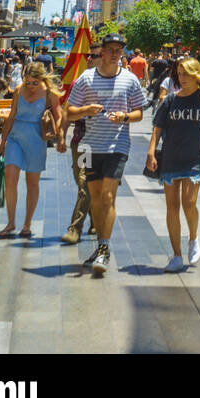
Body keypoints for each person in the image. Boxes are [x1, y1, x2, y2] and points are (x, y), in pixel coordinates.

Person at [66, 32, 146, 276]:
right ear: (102, 52)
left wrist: (125, 116)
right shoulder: (86, 78)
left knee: (108, 196)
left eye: (118, 50)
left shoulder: (130, 80)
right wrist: (85, 110)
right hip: (89, 146)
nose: (114, 54)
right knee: (96, 198)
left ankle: (103, 248)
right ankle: (101, 245)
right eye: (110, 49)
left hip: (117, 145)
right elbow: (69, 112)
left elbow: (139, 113)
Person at [147, 58, 200, 273]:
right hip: (170, 159)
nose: (182, 78)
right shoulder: (170, 100)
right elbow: (157, 127)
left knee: (189, 203)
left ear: (197, 75)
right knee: (172, 207)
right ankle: (177, 255)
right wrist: (151, 151)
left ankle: (193, 238)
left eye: (186, 73)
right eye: (179, 74)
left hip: (193, 160)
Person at [0, 62, 65, 239]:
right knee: (10, 178)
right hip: (15, 137)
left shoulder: (49, 93)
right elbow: (11, 116)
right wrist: (3, 142)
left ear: (42, 79)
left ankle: (27, 224)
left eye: (35, 82)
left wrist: (61, 137)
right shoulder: (19, 90)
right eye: (28, 82)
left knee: (32, 183)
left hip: (36, 139)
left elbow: (58, 116)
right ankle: (11, 223)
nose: (31, 86)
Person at [62, 41, 102, 245]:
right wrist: (61, 135)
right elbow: (67, 110)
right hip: (80, 140)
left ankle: (74, 228)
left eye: (94, 56)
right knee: (83, 183)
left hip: (99, 142)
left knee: (85, 183)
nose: (89, 59)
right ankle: (94, 219)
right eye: (89, 55)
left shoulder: (111, 83)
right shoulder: (81, 82)